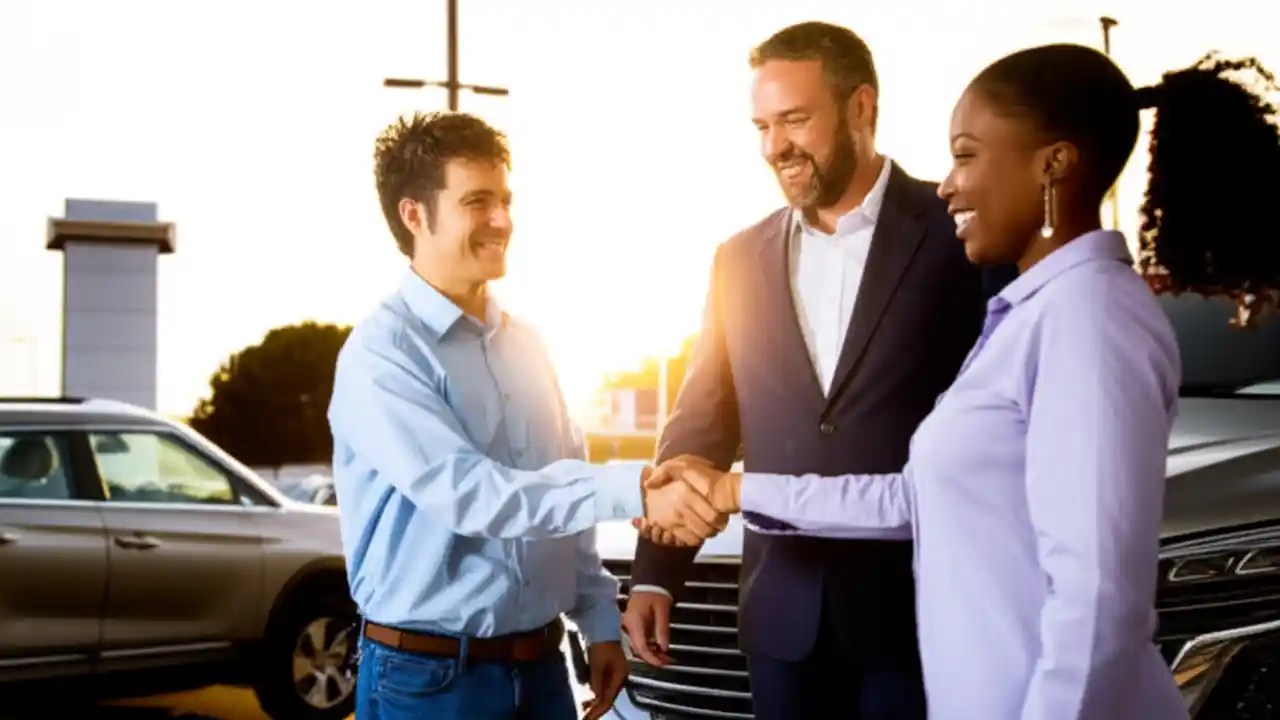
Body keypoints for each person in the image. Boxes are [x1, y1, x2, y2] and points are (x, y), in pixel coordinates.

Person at [639, 44, 1280, 719]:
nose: (948, 185)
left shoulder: (1090, 317)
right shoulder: (1032, 315)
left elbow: (1097, 604)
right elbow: (912, 499)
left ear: (1053, 163)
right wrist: (730, 490)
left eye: (967, 156)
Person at [622, 20, 1014, 720]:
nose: (775, 145)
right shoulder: (737, 259)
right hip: (783, 620)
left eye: (795, 119)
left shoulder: (962, 232)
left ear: (861, 107)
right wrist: (656, 574)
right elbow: (702, 422)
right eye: (763, 125)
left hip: (923, 613)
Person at [326, 111, 724, 720]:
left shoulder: (529, 345)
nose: (502, 220)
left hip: (543, 671)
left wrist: (598, 622)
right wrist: (640, 489)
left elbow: (564, 498)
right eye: (477, 202)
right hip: (429, 684)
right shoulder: (382, 355)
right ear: (415, 215)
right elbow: (472, 495)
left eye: (505, 200)